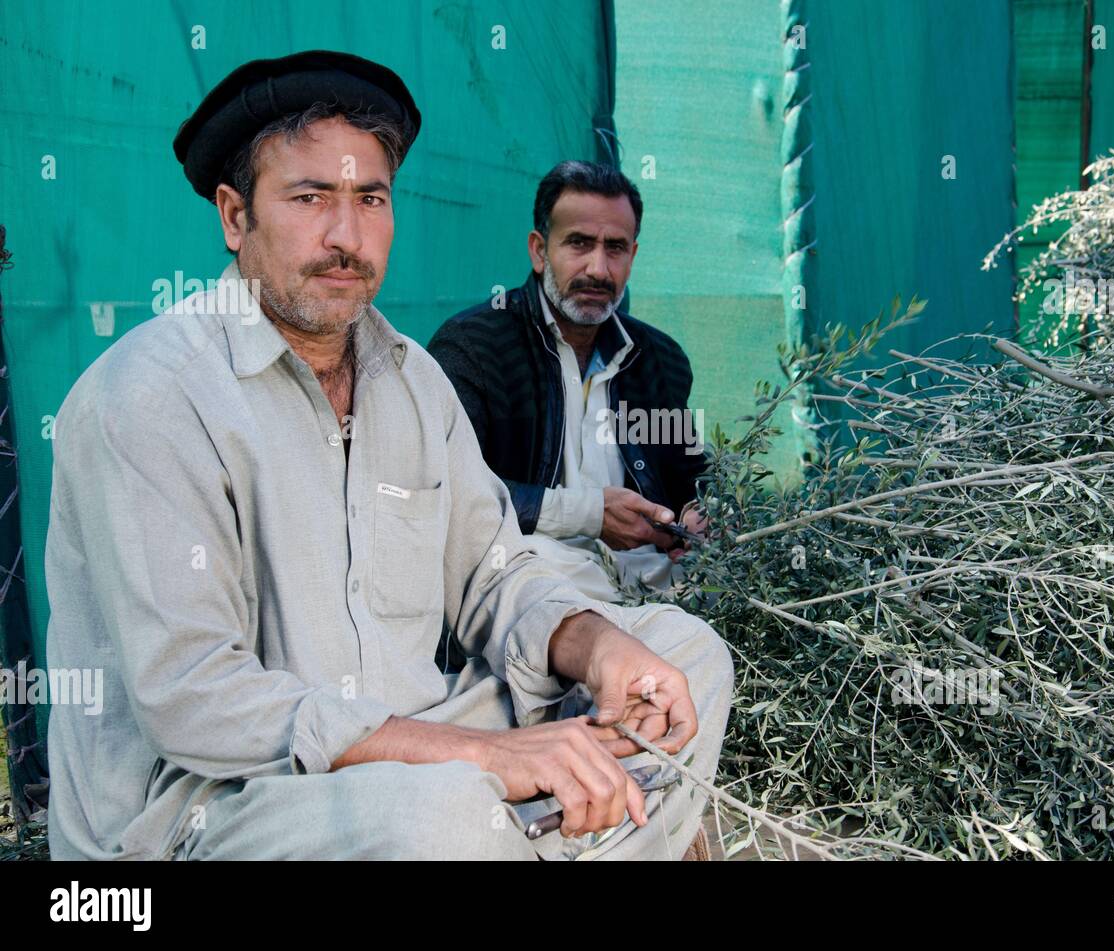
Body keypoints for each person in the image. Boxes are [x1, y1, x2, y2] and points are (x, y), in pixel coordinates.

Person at [43, 50, 732, 861]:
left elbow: (495, 572)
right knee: (448, 817)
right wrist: (483, 758)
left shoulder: (411, 381)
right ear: (235, 217)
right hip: (215, 806)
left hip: (417, 748)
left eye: (369, 198)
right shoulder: (149, 398)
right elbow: (195, 698)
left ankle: (537, 840)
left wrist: (599, 645)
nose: (346, 236)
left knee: (685, 659)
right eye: (310, 198)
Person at [428, 161, 709, 603]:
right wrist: (590, 515)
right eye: (579, 243)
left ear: (632, 257)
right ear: (539, 251)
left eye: (615, 248)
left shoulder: (658, 359)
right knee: (533, 570)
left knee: (729, 581)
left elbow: (693, 475)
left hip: (646, 575)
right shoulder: (475, 347)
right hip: (528, 572)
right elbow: (452, 493)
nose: (598, 269)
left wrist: (696, 513)